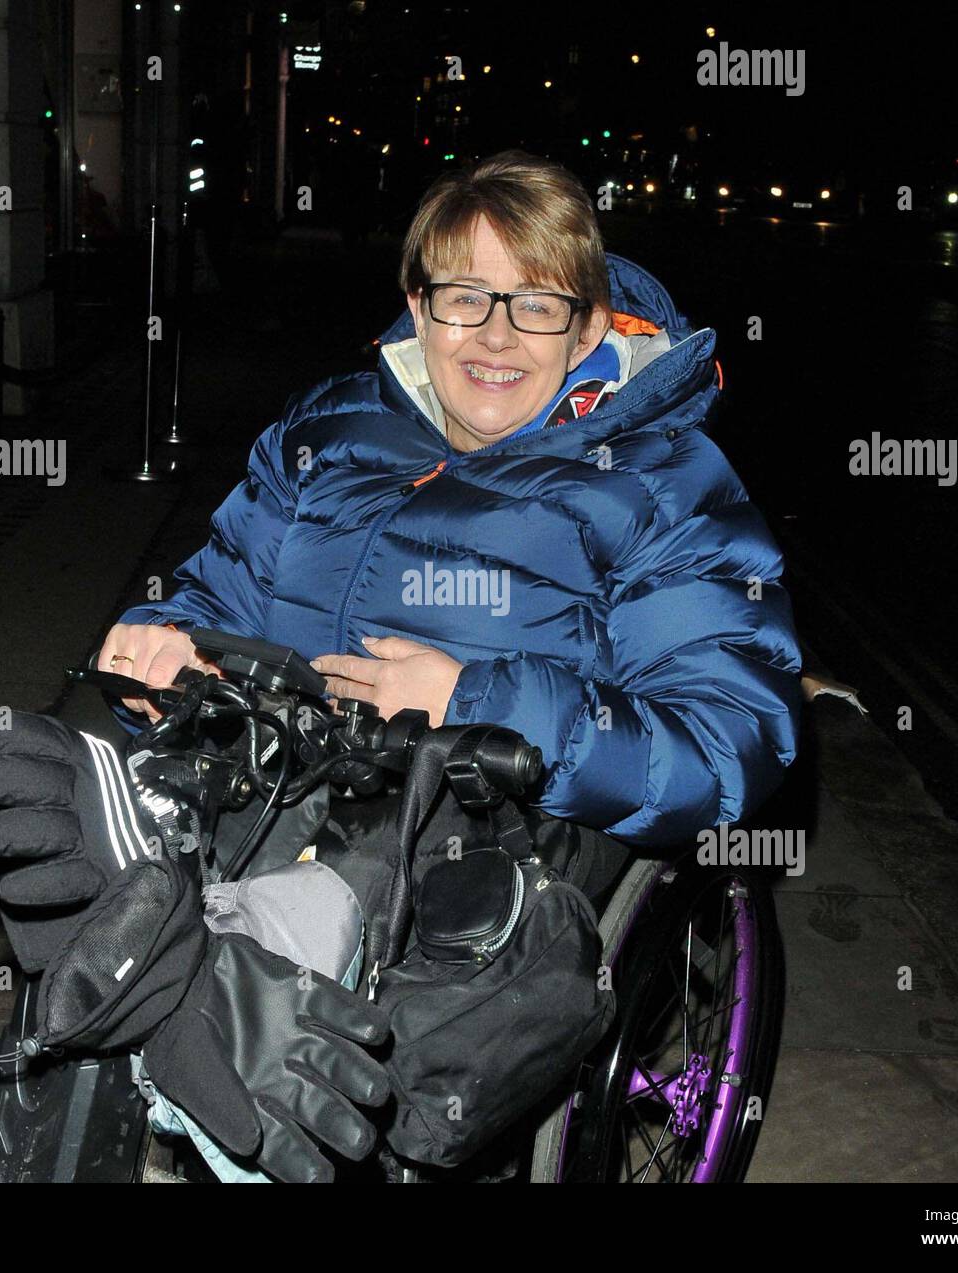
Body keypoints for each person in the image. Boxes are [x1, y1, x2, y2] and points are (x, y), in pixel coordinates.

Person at [101, 149, 802, 850]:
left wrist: (480, 706)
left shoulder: (659, 484)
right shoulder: (322, 432)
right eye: (466, 297)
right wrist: (164, 648)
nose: (497, 337)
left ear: (587, 327)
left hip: (487, 883)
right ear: (419, 306)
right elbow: (217, 604)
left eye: (536, 304)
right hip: (277, 822)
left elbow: (726, 746)